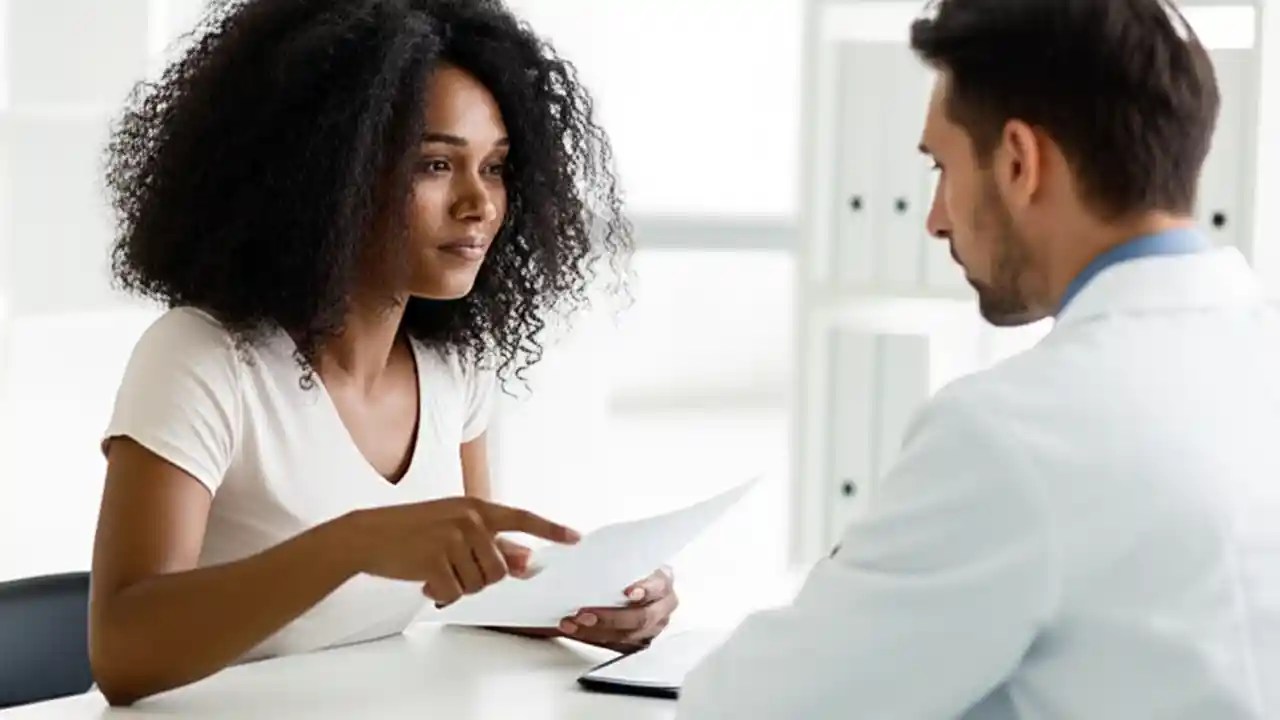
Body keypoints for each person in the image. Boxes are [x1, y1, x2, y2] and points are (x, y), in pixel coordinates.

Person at [678, 0, 1279, 717]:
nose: (934, 217)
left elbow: (745, 708)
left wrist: (864, 572)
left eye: (941, 165)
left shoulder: (1011, 436)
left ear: (1021, 162)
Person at [89, 0, 677, 706]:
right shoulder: (204, 359)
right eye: (435, 163)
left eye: (494, 168)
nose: (479, 204)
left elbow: (467, 592)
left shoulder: (455, 369)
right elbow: (121, 650)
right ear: (328, 172)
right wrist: (354, 543)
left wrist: (590, 606)